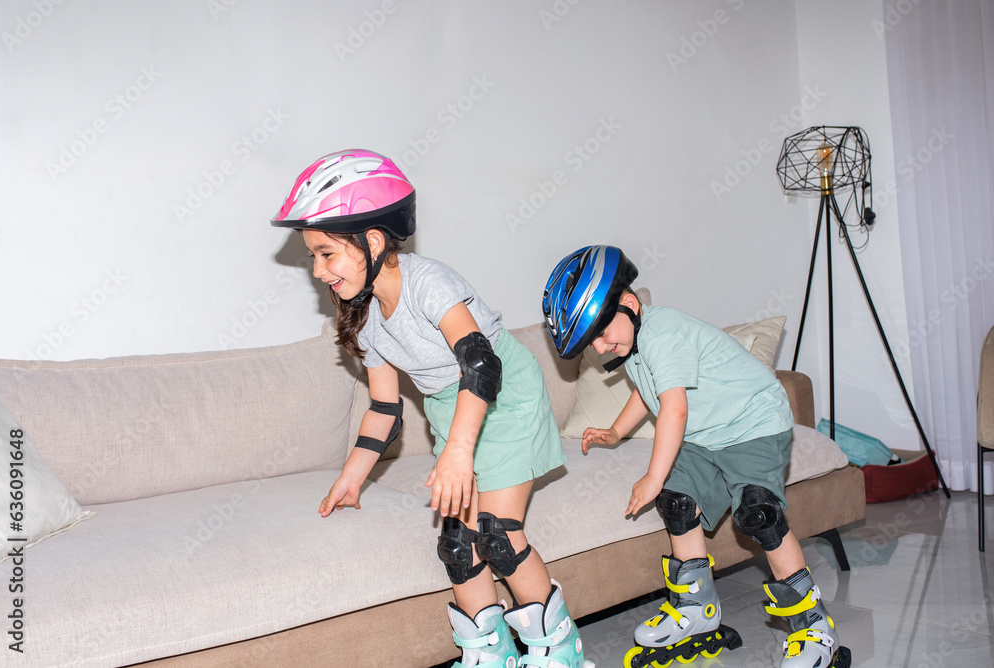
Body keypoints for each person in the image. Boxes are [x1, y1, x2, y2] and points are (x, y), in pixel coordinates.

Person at [270, 149, 592, 668]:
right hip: (451, 407)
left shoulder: (428, 283)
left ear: (372, 241)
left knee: (499, 535)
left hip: (504, 395)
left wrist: (459, 451)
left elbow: (482, 365)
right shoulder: (365, 315)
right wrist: (353, 477)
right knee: (458, 546)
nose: (317, 270)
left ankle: (560, 651)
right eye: (312, 256)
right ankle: (492, 656)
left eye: (325, 253)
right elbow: (384, 407)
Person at [541, 245, 851, 668]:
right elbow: (646, 392)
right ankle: (696, 610)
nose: (599, 347)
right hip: (708, 436)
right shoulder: (633, 342)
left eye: (599, 331)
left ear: (629, 303)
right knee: (679, 504)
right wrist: (616, 431)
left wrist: (652, 476)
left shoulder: (665, 332)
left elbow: (675, 408)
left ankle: (815, 629)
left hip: (753, 422)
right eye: (590, 342)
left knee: (760, 514)